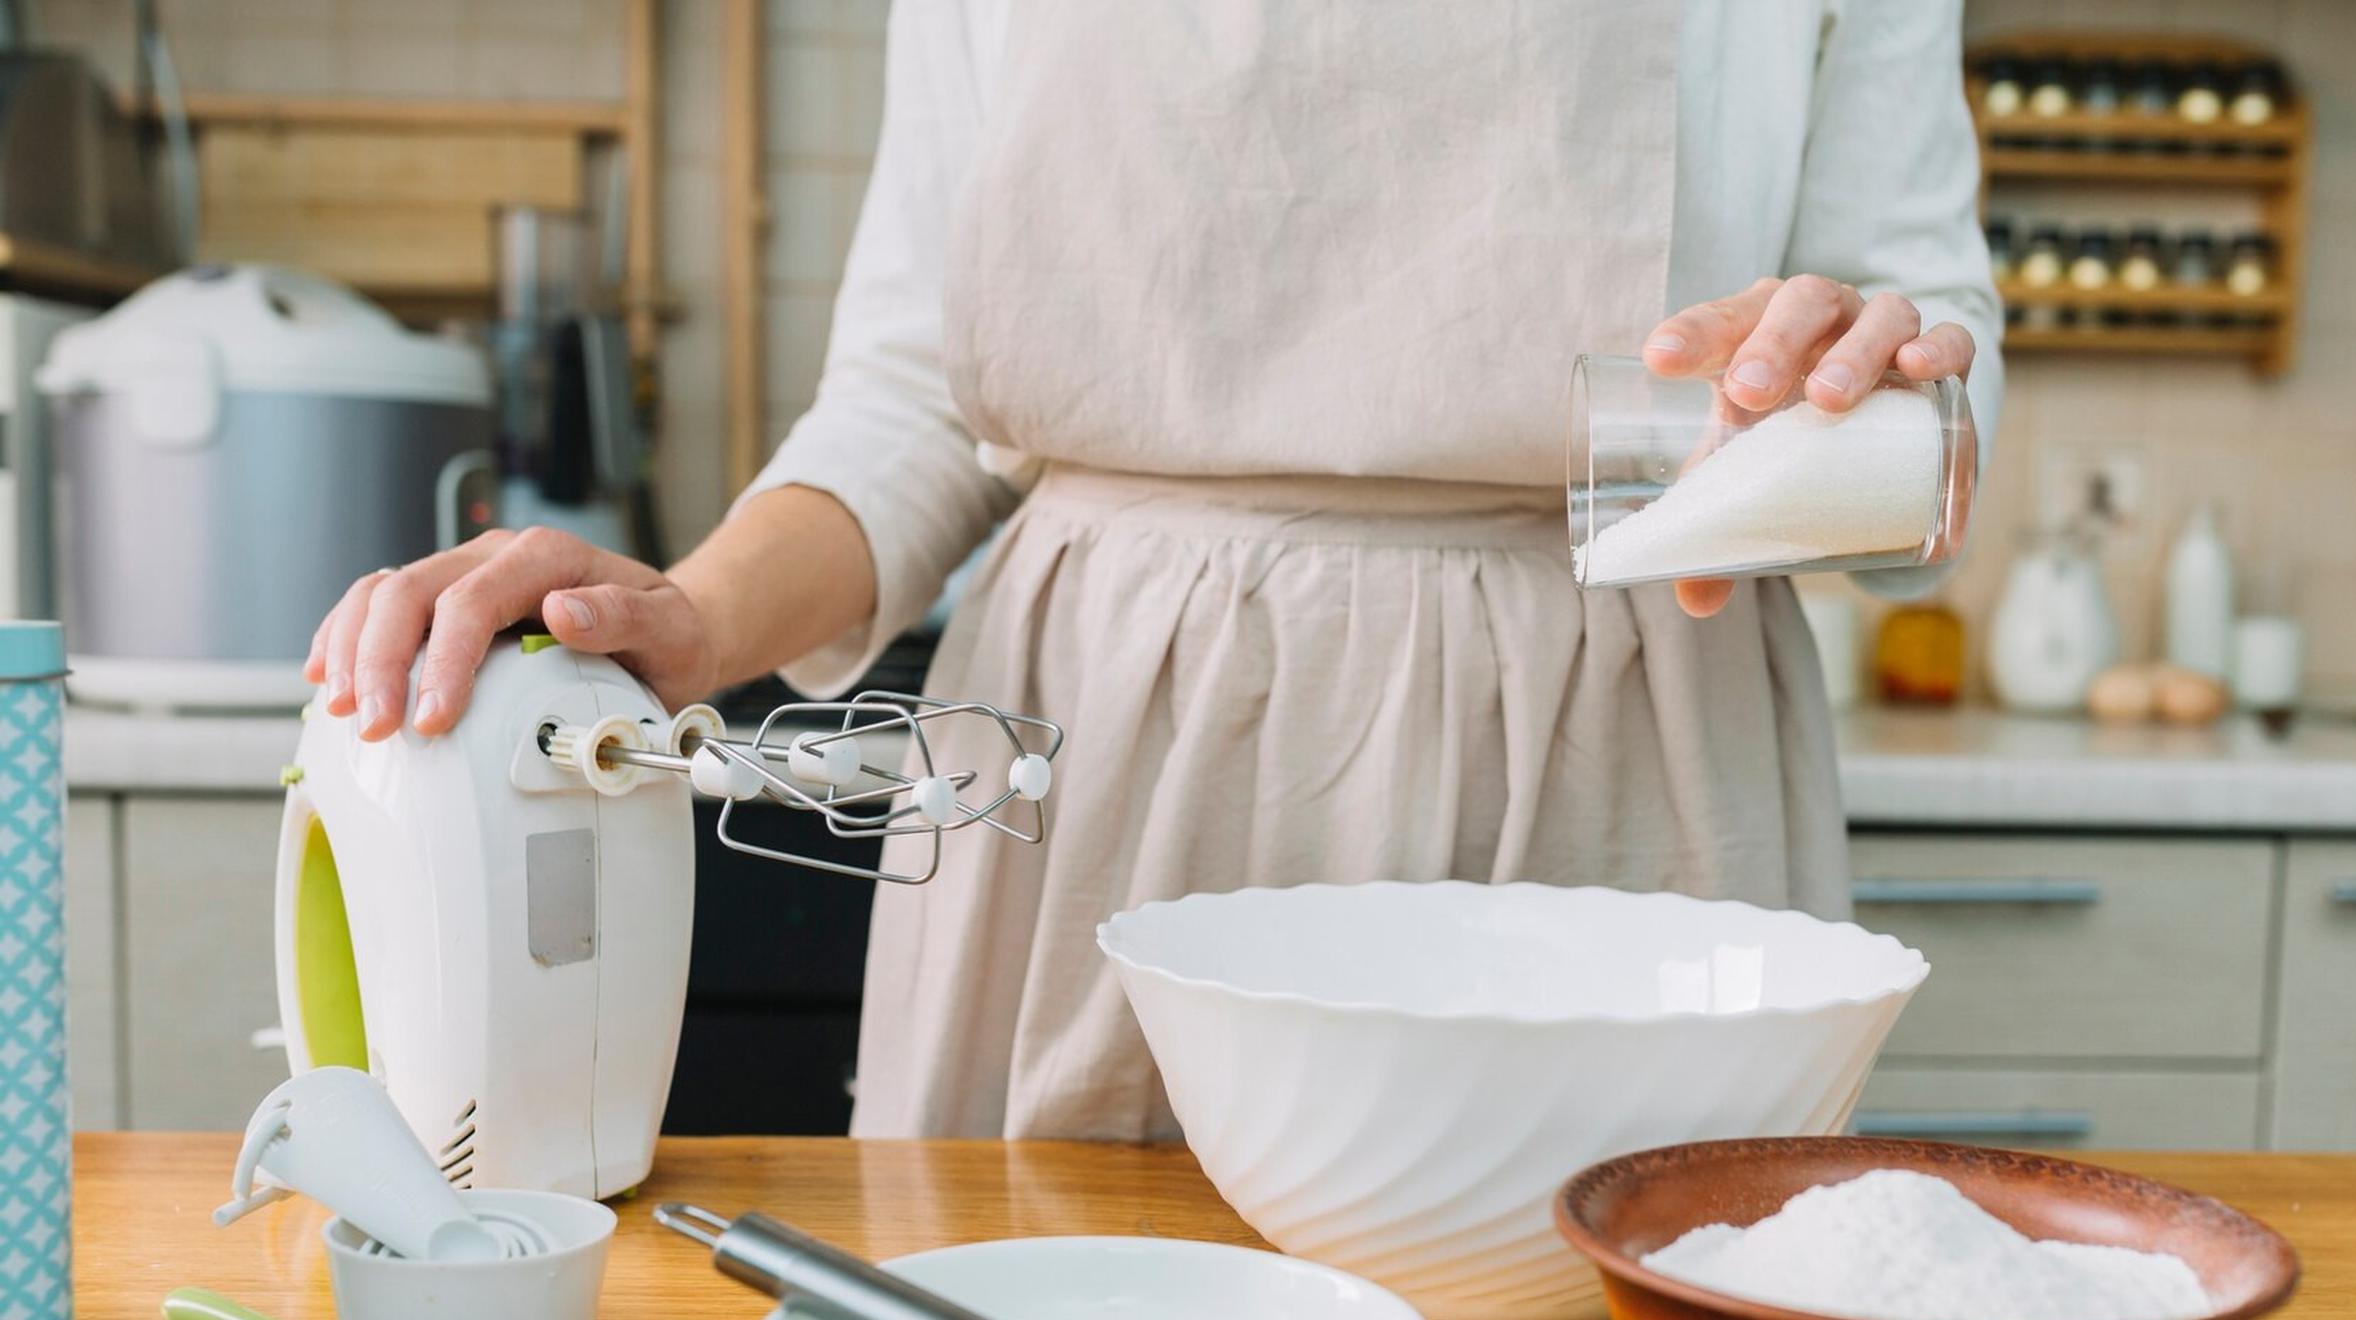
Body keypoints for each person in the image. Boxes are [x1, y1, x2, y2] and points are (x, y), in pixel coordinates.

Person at [308, 2, 2000, 1140]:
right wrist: (695, 614)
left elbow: (1933, 377)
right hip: (1098, 778)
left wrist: (1875, 384)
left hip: (1616, 766)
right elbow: (923, 403)